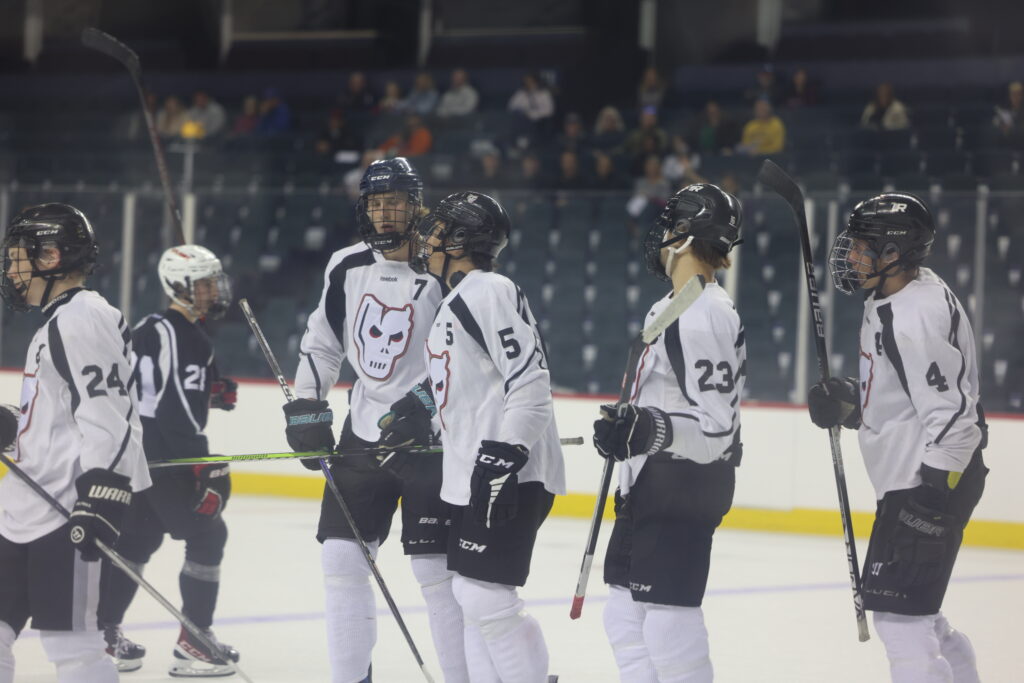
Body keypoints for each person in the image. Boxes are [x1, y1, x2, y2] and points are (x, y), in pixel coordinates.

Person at [281, 158, 465, 683]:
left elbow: (468, 358)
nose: (386, 214)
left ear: (417, 205)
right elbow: (322, 344)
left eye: (396, 203)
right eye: (377, 204)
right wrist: (307, 407)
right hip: (363, 436)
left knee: (434, 573)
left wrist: (428, 404)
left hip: (432, 443)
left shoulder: (444, 269)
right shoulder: (346, 264)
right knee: (341, 564)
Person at [807, 193, 987, 683]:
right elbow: (908, 389)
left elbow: (955, 420)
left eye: (863, 247)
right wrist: (852, 400)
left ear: (894, 253)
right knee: (920, 617)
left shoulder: (911, 318)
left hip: (928, 481)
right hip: (923, 476)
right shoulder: (906, 293)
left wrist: (928, 496)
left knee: (900, 620)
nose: (851, 256)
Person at [398, 191, 566, 682]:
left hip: (509, 473)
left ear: (460, 239)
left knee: (483, 596)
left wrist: (505, 453)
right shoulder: (457, 301)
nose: (427, 239)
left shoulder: (487, 290)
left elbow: (530, 380)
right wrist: (421, 405)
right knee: (471, 598)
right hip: (481, 472)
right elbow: (473, 382)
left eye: (437, 230)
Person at [594, 183, 745, 683]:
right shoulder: (674, 305)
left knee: (667, 623)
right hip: (650, 484)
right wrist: (625, 429)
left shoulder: (704, 314)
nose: (659, 235)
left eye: (669, 224)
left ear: (685, 237)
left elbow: (718, 434)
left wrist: (648, 429)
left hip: (684, 486)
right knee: (623, 615)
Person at [0, 203, 151, 683]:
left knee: (72, 647)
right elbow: (63, 411)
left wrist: (104, 490)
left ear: (49, 256)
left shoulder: (83, 316)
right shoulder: (56, 321)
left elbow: (109, 412)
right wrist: (13, 425)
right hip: (20, 509)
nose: (9, 268)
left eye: (17, 257)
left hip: (62, 509)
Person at [97, 245, 239, 676]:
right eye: (205, 282)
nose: (215, 289)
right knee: (208, 536)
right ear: (180, 286)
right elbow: (174, 402)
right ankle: (195, 642)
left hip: (143, 454)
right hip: (165, 457)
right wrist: (199, 461)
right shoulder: (179, 333)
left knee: (135, 543)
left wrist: (210, 392)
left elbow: (155, 389)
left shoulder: (157, 327)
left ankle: (101, 635)